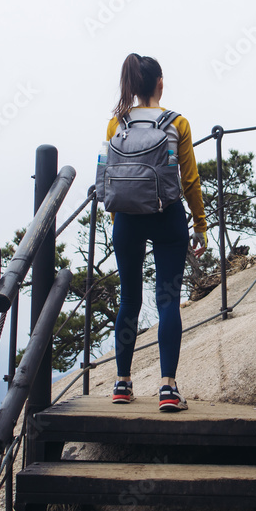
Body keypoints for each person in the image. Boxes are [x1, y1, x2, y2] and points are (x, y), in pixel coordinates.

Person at [104, 53, 207, 412]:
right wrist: (200, 224)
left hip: (128, 219)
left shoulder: (116, 123)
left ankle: (121, 383)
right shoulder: (177, 123)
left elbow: (109, 173)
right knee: (167, 300)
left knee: (129, 300)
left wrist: (120, 223)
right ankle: (167, 389)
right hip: (167, 216)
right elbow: (190, 180)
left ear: (133, 85)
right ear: (160, 84)